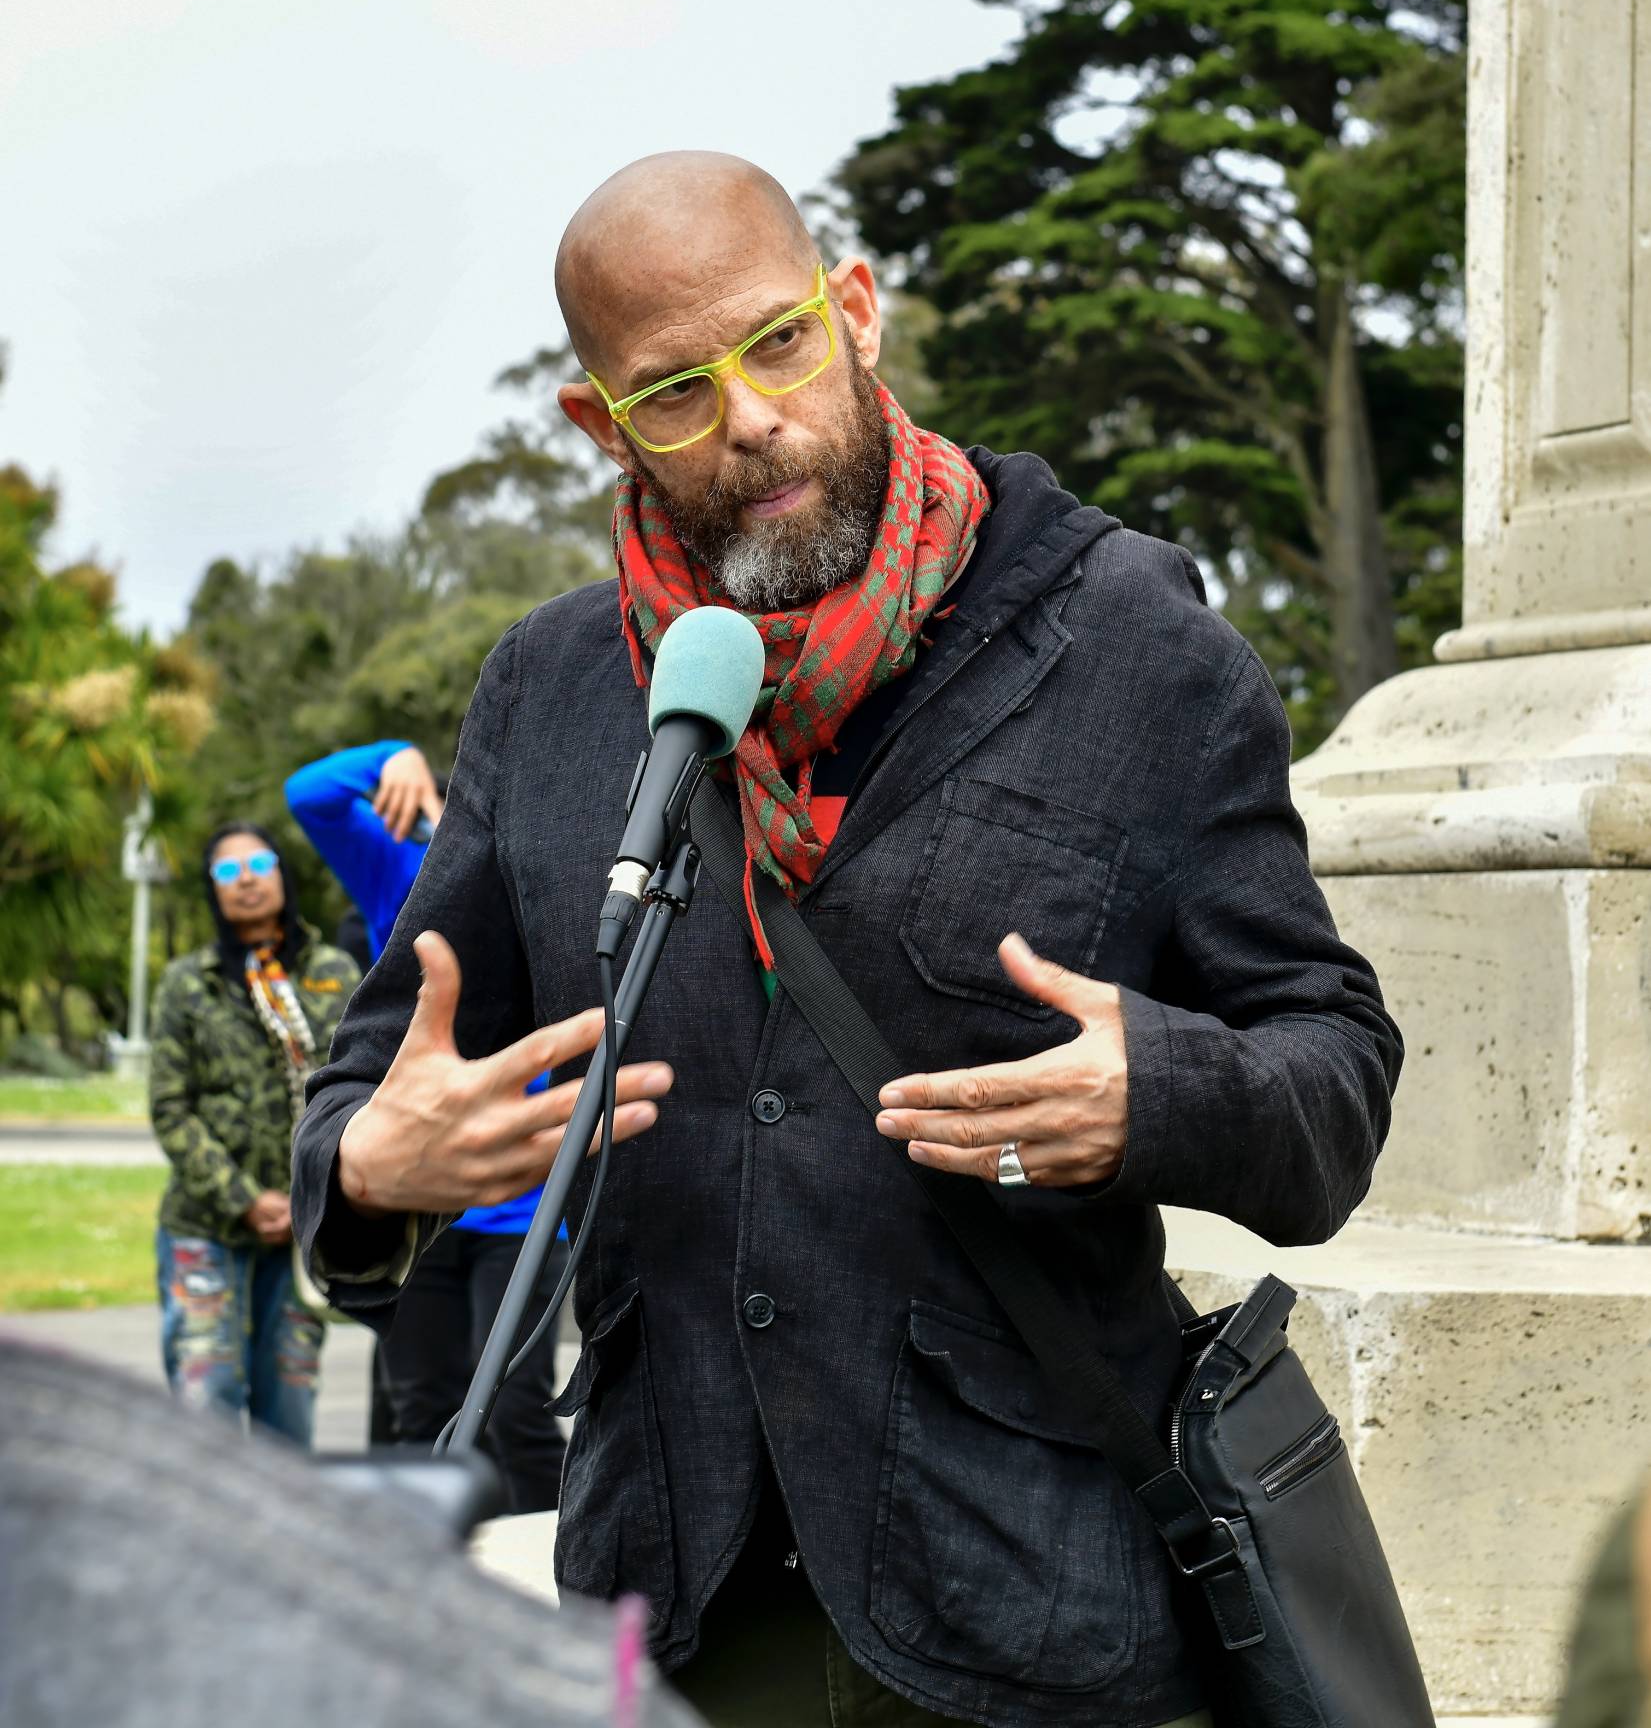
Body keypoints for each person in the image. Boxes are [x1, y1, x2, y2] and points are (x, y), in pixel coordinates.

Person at [291, 152, 1404, 1728]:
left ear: (856, 314)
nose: (747, 418)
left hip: (1033, 1622)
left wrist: (1156, 1090)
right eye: (672, 390)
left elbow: (1333, 1071)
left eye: (778, 344)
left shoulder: (1139, 655)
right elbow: (360, 1103)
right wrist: (372, 1170)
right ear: (597, 427)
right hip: (666, 1620)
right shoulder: (546, 697)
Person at [284, 738, 567, 1512]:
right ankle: (424, 1597)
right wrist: (393, 760)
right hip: (421, 1194)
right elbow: (308, 794)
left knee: (516, 1413)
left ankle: (560, 1604)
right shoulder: (406, 879)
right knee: (421, 1411)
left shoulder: (551, 872)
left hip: (524, 1206)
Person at [150, 824, 358, 1446]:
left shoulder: (333, 973)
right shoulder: (190, 982)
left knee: (288, 1414)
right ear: (212, 892)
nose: (245, 878)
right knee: (204, 1401)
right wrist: (242, 1197)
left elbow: (358, 1090)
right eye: (226, 870)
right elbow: (170, 1107)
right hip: (205, 1229)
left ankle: (275, 1542)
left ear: (282, 875)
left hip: (301, 1230)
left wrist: (309, 1194)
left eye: (259, 862)